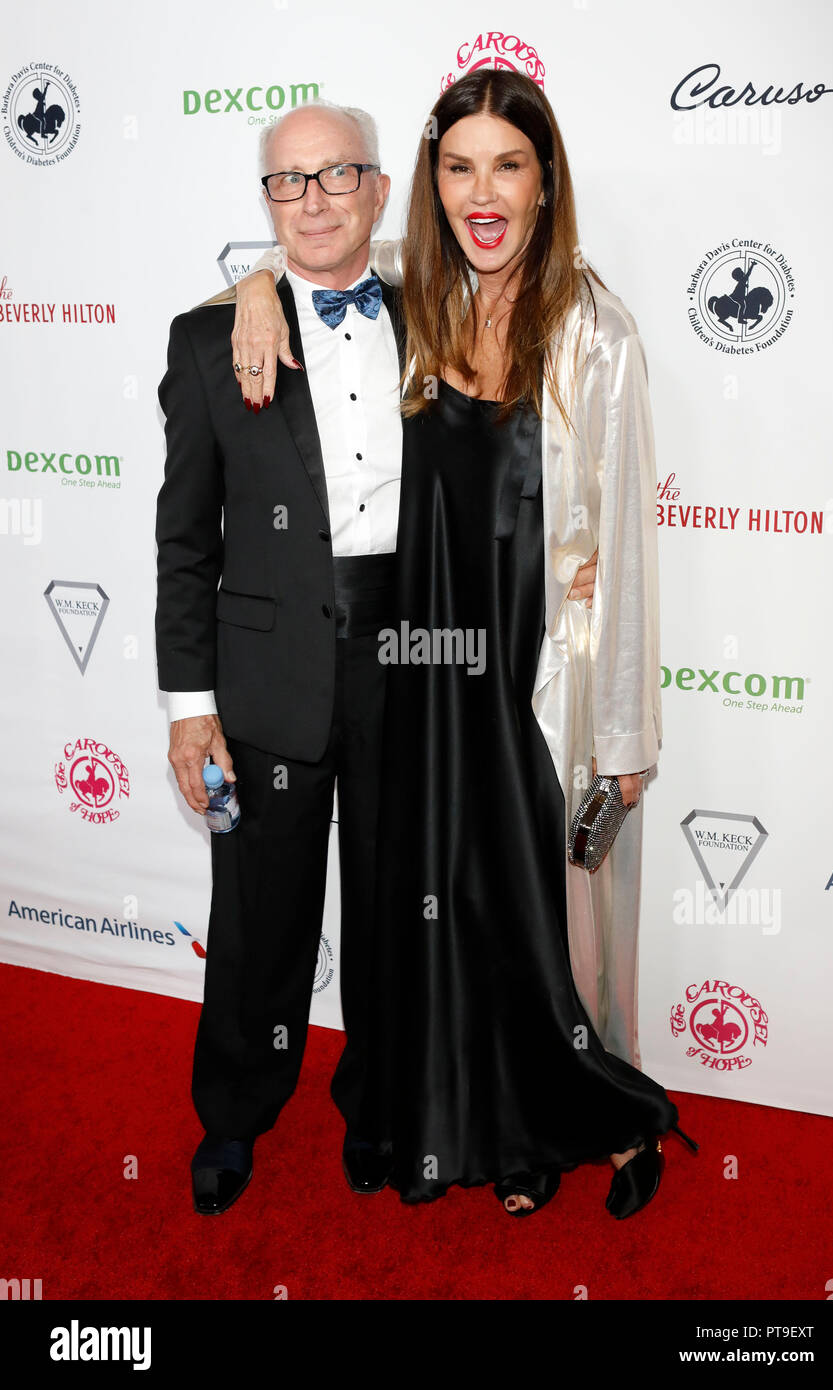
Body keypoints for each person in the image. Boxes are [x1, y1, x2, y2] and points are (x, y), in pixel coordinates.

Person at [228, 71, 696, 1216]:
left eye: (508, 166)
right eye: (459, 167)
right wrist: (251, 282)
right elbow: (315, 252)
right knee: (446, 901)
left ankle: (581, 1124)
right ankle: (468, 1125)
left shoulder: (598, 332)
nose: (481, 194)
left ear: (546, 184)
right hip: (429, 674)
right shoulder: (414, 297)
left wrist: (627, 729)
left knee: (539, 912)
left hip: (536, 681)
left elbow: (625, 548)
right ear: (432, 184)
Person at [155, 95, 602, 1216]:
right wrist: (187, 704)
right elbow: (182, 538)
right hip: (269, 669)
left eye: (334, 176)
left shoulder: (435, 316)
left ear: (375, 188)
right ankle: (236, 1114)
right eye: (286, 182)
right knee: (262, 911)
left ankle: (380, 1111)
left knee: (400, 904)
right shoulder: (213, 338)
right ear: (267, 201)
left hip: (412, 652)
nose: (311, 201)